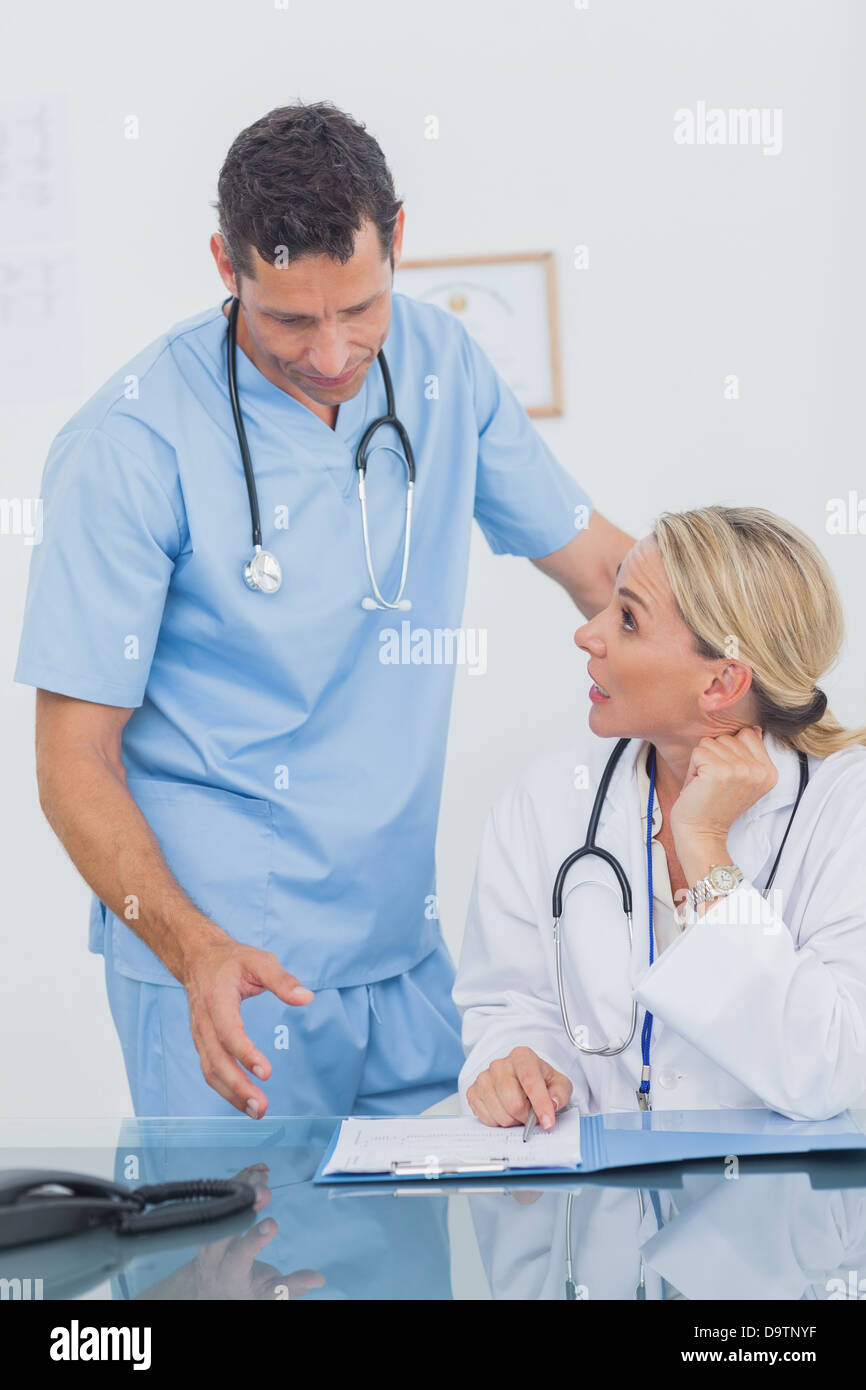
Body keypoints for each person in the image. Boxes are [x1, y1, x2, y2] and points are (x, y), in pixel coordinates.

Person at [14, 101, 632, 1119]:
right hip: (222, 965)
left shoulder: (442, 366)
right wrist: (193, 946)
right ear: (226, 264)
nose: (336, 352)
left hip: (401, 945)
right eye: (290, 319)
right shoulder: (129, 448)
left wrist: (753, 666)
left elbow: (603, 567)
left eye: (360, 308)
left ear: (398, 238)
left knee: (414, 1264)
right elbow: (70, 760)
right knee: (231, 1267)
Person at [454, 505, 866, 1126]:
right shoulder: (547, 800)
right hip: (601, 1210)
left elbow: (832, 1069)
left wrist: (704, 846)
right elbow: (511, 1005)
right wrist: (521, 1061)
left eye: (626, 619)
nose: (587, 635)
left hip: (786, 1213)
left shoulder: (845, 810)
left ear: (721, 683)